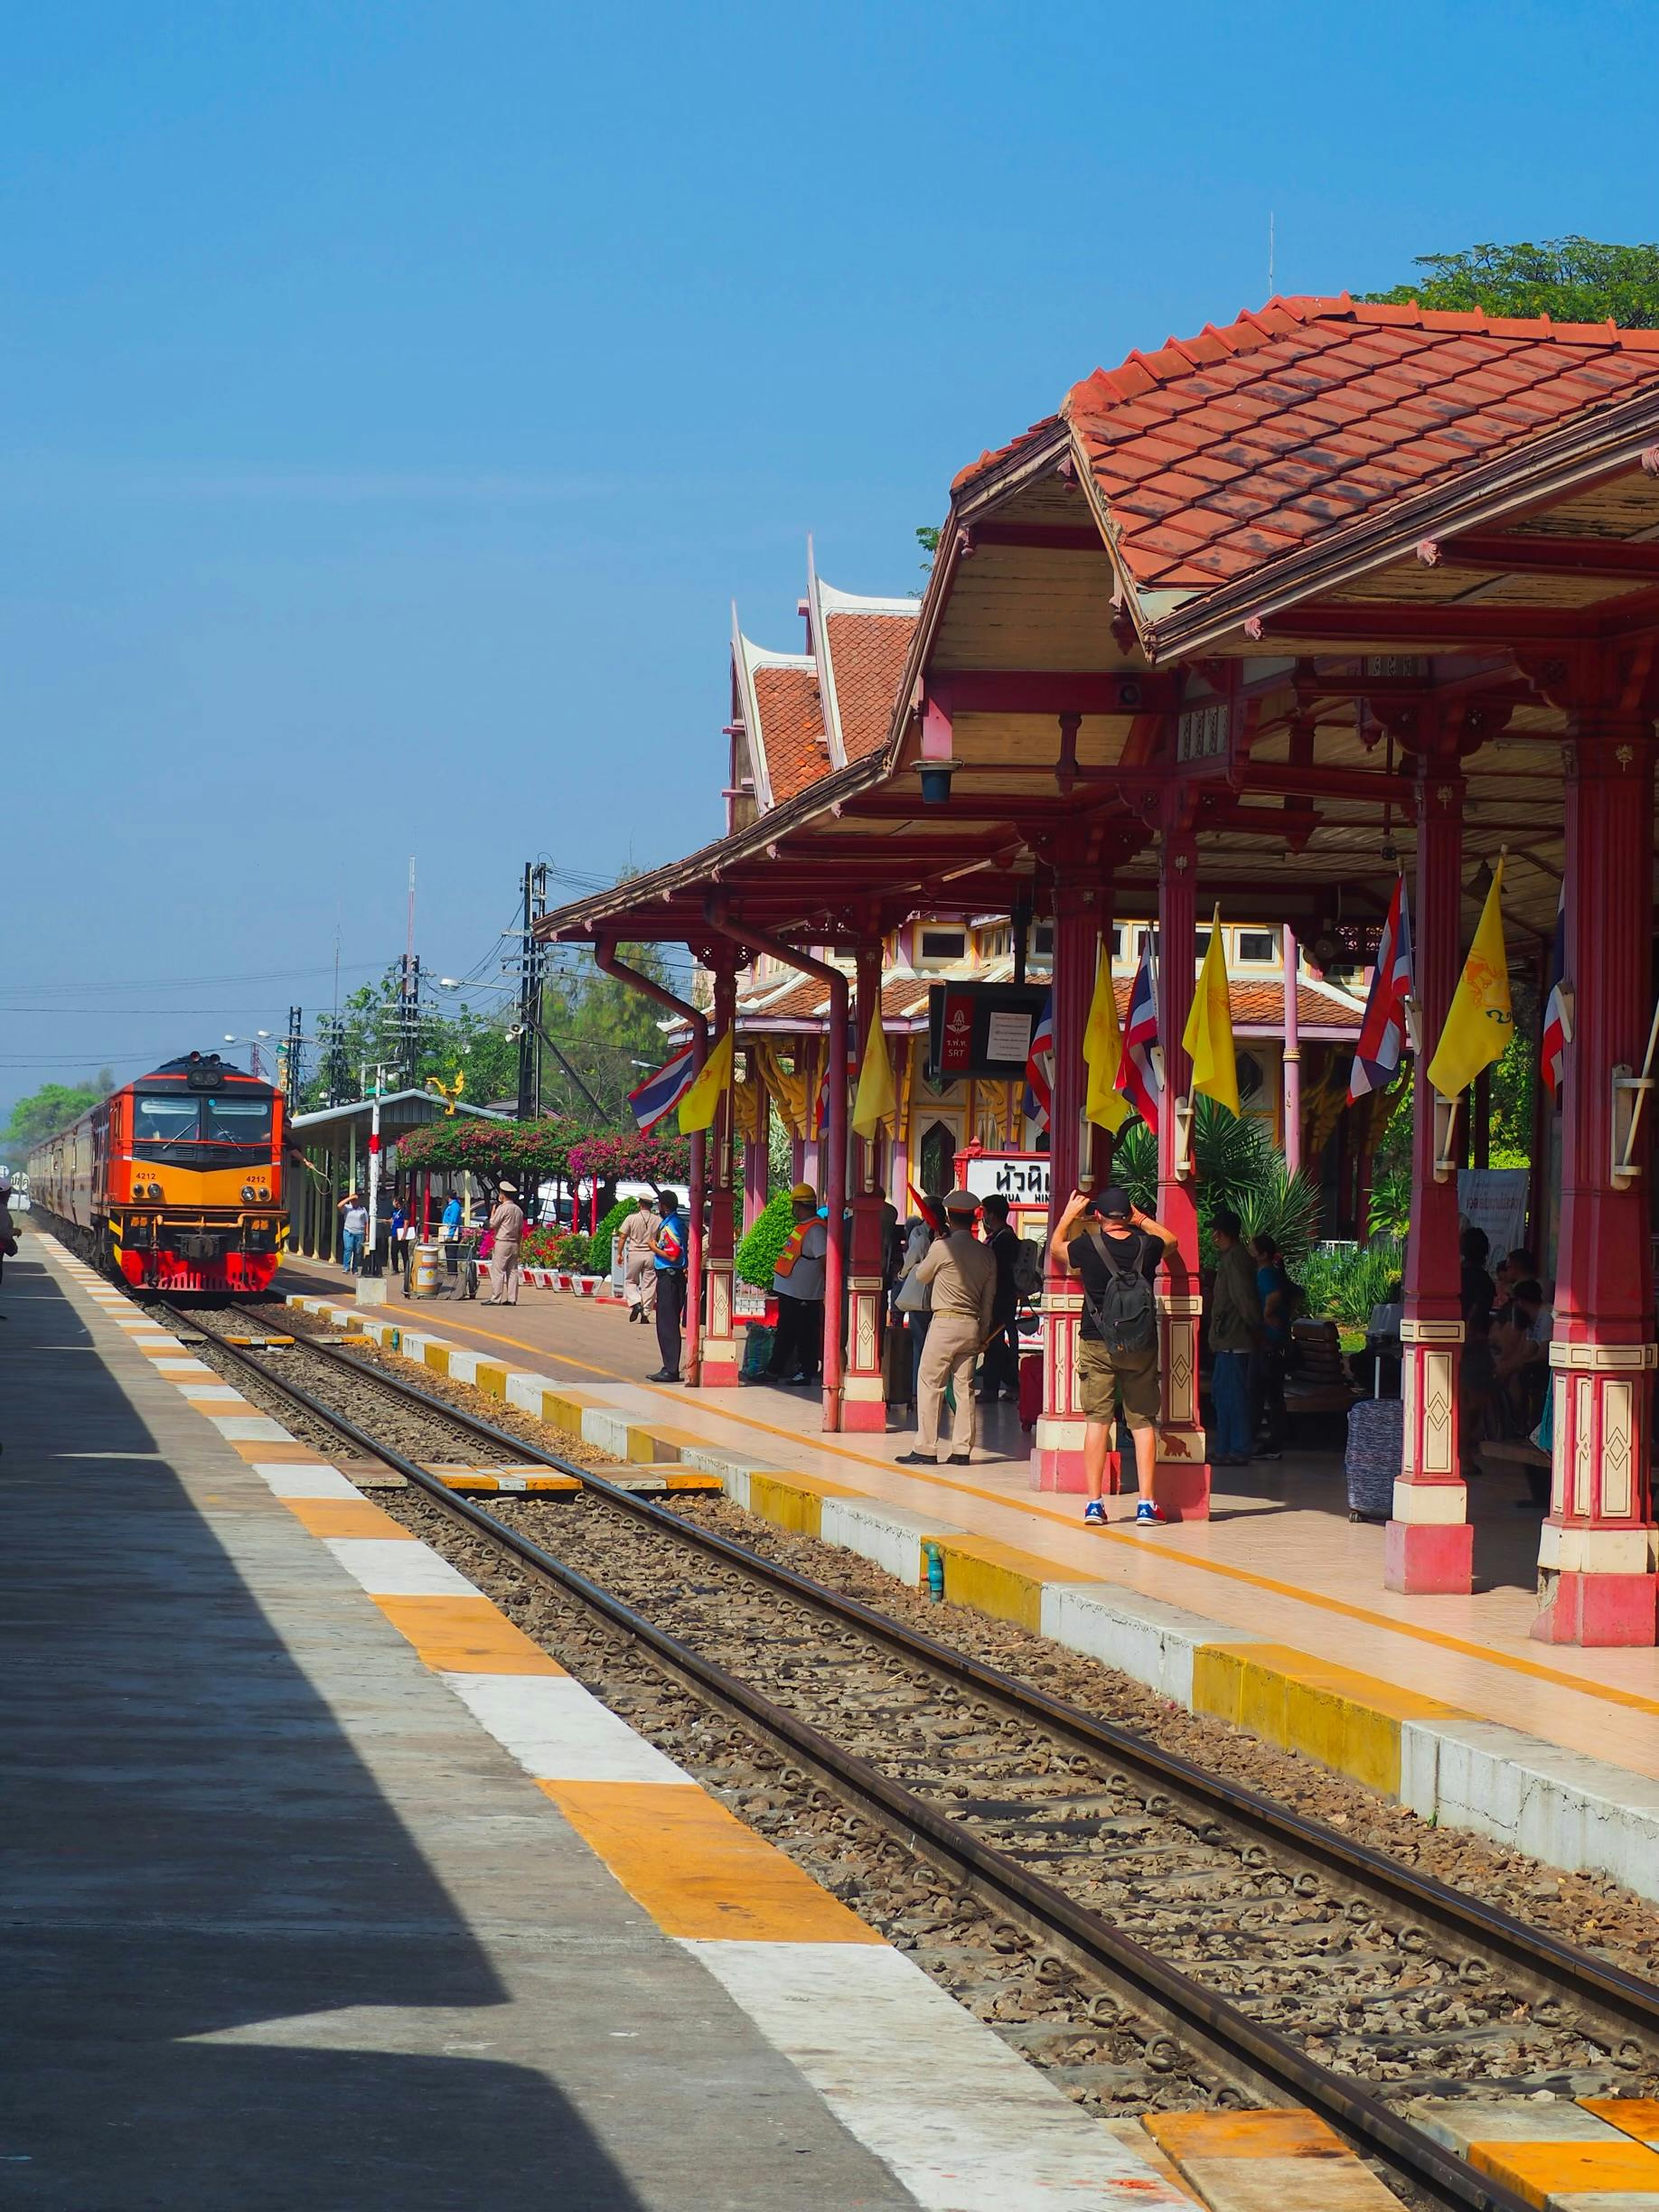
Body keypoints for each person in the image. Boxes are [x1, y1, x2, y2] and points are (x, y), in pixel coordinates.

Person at [1049, 1185, 1179, 1525]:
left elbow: (1056, 1249)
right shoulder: (1147, 1245)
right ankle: (1146, 1504)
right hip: (1140, 1344)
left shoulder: (1086, 1246)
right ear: (1128, 1215)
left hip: (1097, 1341)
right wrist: (1142, 1220)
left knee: (1098, 1420)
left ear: (1098, 1216)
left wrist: (1068, 1215)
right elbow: (1171, 1241)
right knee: (1142, 1421)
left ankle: (1094, 1504)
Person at [897, 1188, 996, 1467]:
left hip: (945, 1322)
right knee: (964, 1388)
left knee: (931, 1383)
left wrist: (937, 1245)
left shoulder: (942, 1247)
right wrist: (983, 1333)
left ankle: (926, 1448)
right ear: (974, 1219)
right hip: (972, 1324)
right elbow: (988, 1300)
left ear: (950, 1218)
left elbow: (921, 1274)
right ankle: (962, 1450)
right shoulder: (986, 1254)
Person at [1208, 1206, 1263, 1467]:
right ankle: (1226, 1448)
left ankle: (1237, 1448)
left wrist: (1255, 1326)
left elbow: (1243, 1299)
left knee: (1232, 1397)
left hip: (1233, 1339)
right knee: (1225, 1395)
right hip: (1229, 1339)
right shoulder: (1234, 1257)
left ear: (1220, 1234)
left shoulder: (1235, 1260)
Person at [767, 1183, 829, 1387]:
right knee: (787, 1332)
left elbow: (825, 1260)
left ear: (800, 1207)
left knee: (804, 1335)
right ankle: (776, 1370)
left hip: (805, 1294)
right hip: (793, 1291)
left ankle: (804, 1371)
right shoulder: (805, 1226)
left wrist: (828, 1288)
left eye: (794, 1205)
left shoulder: (816, 1230)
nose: (793, 1210)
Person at [976, 1193, 1021, 1403]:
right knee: (995, 1343)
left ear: (992, 1215)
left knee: (993, 1343)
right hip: (1000, 1298)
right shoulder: (1001, 1237)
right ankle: (1010, 1383)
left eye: (984, 1212)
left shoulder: (1004, 1240)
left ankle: (995, 1387)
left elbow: (998, 1271)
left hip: (1000, 1298)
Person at [1251, 1233, 1291, 1458]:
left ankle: (1272, 1441)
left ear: (1262, 1254)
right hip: (1273, 1339)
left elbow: (1274, 1295)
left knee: (1267, 1391)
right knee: (1271, 1392)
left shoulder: (1266, 1273)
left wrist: (1266, 1314)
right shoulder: (1272, 1272)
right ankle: (1273, 1438)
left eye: (1253, 1248)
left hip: (1269, 1340)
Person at [648, 1189, 689, 1382]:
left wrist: (654, 1248)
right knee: (668, 1323)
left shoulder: (671, 1226)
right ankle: (669, 1367)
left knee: (667, 1324)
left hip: (669, 1277)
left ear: (664, 1206)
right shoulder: (674, 1222)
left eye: (660, 1204)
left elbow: (672, 1255)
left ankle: (670, 1369)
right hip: (672, 1277)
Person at [619, 1193, 661, 1324]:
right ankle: (645, 1313)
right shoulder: (658, 1220)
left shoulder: (631, 1218)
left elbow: (622, 1236)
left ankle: (636, 1302)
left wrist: (619, 1253)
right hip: (651, 1254)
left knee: (631, 1281)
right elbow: (660, 1238)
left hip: (635, 1253)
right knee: (649, 1284)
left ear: (640, 1204)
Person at [483, 1181, 526, 1305]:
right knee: (512, 1272)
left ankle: (496, 1298)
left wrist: (492, 1214)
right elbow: (521, 1230)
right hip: (514, 1243)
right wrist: (519, 1244)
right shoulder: (518, 1210)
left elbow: (492, 1224)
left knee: (498, 1271)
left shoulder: (503, 1208)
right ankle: (512, 1299)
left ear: (503, 1195)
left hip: (503, 1242)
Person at [338, 1190, 368, 1275]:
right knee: (348, 1248)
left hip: (360, 1232)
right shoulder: (347, 1208)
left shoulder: (362, 1210)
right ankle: (346, 1267)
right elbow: (339, 1205)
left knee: (357, 1251)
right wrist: (350, 1198)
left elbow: (366, 1222)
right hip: (348, 1231)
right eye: (353, 1200)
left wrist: (367, 1234)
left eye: (356, 1200)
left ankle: (355, 1268)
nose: (354, 1202)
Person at [389, 1199, 408, 1277]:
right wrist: (387, 1221)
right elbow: (393, 1219)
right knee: (393, 1252)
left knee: (404, 1253)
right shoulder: (394, 1211)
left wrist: (404, 1235)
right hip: (394, 1234)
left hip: (401, 1234)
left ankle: (406, 1269)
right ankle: (395, 1269)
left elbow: (406, 1223)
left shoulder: (404, 1211)